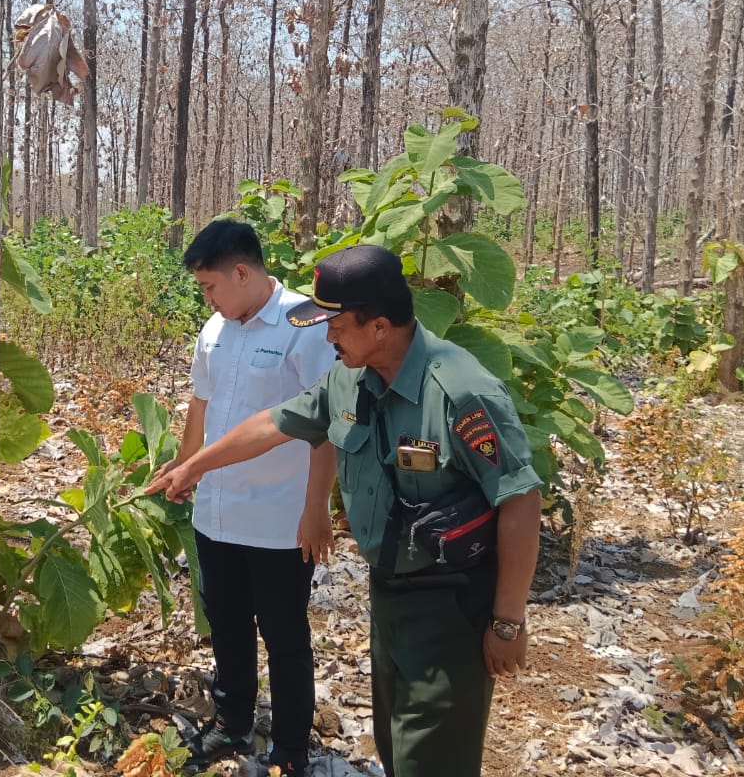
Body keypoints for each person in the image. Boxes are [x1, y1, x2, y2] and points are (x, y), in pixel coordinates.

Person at [149, 244, 543, 777]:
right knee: (396, 742)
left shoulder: (459, 391)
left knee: (433, 754)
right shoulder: (351, 379)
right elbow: (272, 425)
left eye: (336, 326)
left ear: (379, 326)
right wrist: (194, 466)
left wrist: (507, 621)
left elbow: (519, 500)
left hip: (453, 604)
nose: (328, 337)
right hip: (389, 594)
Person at [165, 220, 338, 777]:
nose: (208, 299)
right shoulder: (215, 329)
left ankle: (290, 749)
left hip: (279, 518)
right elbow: (202, 401)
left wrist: (317, 508)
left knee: (284, 634)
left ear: (242, 272)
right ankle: (233, 721)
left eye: (211, 286)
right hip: (216, 512)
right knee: (228, 623)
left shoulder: (304, 326)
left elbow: (325, 424)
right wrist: (183, 465)